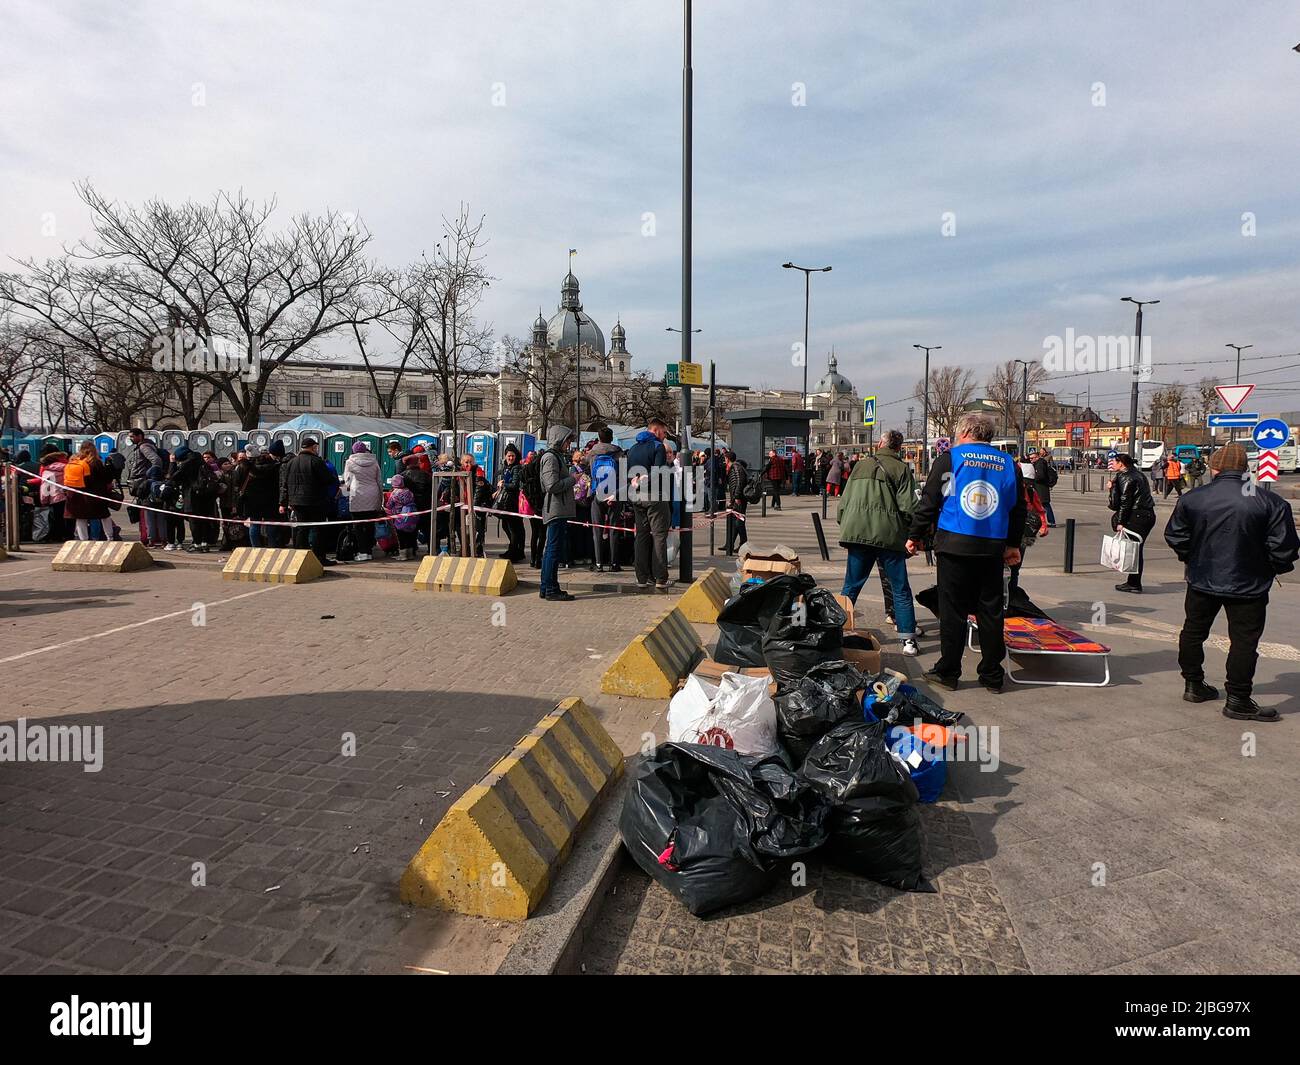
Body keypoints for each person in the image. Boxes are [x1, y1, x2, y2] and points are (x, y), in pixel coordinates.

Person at [1164, 443, 1299, 722]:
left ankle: (1193, 684)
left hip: (1202, 579)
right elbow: (1285, 547)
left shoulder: (1193, 497)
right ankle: (1237, 698)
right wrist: (1269, 568)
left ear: (1214, 468)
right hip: (1248, 583)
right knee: (1244, 641)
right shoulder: (1270, 502)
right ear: (1244, 469)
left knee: (1193, 631)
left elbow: (1176, 535)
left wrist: (1193, 558)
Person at [906, 413, 1025, 693]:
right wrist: (1013, 545)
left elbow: (930, 500)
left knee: (953, 611)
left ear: (965, 432)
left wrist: (914, 536)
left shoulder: (950, 458)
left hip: (955, 545)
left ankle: (948, 671)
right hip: (991, 547)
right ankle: (992, 675)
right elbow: (1018, 509)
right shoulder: (1008, 464)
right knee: (991, 611)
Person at [838, 430, 920, 656]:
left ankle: (835, 631)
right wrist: (909, 535)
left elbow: (844, 502)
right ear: (898, 448)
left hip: (857, 534)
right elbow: (909, 507)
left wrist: (845, 524)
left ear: (879, 444)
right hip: (888, 536)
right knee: (900, 588)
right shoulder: (901, 469)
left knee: (850, 587)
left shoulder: (859, 466)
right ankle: (908, 640)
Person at [627, 418, 672, 590]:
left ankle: (641, 578)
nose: (665, 436)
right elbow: (659, 471)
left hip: (636, 496)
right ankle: (660, 578)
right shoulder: (657, 446)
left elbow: (628, 475)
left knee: (641, 536)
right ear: (656, 430)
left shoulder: (633, 448)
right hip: (655, 495)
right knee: (659, 536)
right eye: (664, 432)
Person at [279, 437, 338, 564]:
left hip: (296, 502)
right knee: (318, 529)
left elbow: (284, 484)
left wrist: (283, 502)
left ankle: (300, 558)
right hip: (315, 501)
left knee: (301, 529)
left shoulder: (291, 462)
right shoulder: (316, 461)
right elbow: (328, 479)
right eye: (316, 447)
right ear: (313, 447)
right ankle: (318, 558)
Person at [1107, 453, 1157, 594]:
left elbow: (1123, 502)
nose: (1112, 464)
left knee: (1134, 550)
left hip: (1136, 516)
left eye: (1114, 462)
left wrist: (1121, 522)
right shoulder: (1137, 474)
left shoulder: (1125, 477)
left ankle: (1134, 584)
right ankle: (1132, 582)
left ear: (1121, 463)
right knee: (1136, 550)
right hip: (1147, 514)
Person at [538, 436, 576, 601]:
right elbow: (551, 485)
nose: (569, 445)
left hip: (558, 508)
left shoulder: (554, 456)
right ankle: (551, 589)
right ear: (559, 441)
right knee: (553, 550)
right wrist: (572, 479)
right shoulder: (551, 457)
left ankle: (547, 587)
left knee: (551, 550)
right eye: (567, 441)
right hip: (555, 509)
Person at [587, 428, 622, 573]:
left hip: (597, 493)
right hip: (614, 493)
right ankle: (614, 563)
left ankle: (599, 563)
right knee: (614, 529)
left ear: (599, 438)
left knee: (597, 530)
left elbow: (589, 471)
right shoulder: (619, 453)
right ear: (612, 438)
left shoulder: (592, 453)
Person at [63, 441, 114, 541]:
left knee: (81, 518)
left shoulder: (74, 460)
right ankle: (109, 537)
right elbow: (105, 478)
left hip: (76, 494)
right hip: (94, 494)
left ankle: (83, 540)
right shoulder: (95, 462)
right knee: (104, 516)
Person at [342, 441, 383, 562]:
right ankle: (369, 550)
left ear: (354, 450)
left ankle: (363, 552)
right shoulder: (374, 461)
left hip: (357, 494)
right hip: (373, 494)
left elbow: (347, 481)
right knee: (370, 524)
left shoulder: (350, 462)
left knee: (358, 526)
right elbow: (379, 481)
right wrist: (380, 499)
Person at [495, 443, 526, 562]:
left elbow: (515, 485)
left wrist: (504, 485)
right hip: (506, 501)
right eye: (508, 456)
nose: (510, 458)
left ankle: (515, 551)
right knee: (507, 526)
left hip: (513, 502)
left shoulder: (517, 468)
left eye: (512, 456)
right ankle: (515, 549)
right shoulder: (506, 467)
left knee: (514, 528)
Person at [385, 473, 419, 560]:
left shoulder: (395, 493)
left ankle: (403, 555)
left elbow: (389, 505)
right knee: (410, 536)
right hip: (411, 516)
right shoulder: (408, 491)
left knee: (401, 536)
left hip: (399, 518)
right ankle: (410, 554)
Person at [723, 450, 749, 554]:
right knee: (736, 522)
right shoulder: (735, 467)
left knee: (739, 523)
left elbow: (739, 481)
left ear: (727, 459)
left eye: (725, 458)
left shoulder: (736, 467)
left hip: (740, 499)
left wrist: (736, 497)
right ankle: (730, 544)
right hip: (737, 498)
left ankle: (744, 544)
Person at [1029, 447, 1058, 527]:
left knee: (1044, 505)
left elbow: (1040, 476)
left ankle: (1050, 522)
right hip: (1041, 488)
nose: (1030, 460)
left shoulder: (1040, 464)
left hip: (1041, 488)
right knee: (1043, 505)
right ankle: (1049, 522)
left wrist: (1033, 478)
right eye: (1030, 458)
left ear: (1037, 457)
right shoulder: (1039, 463)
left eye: (1032, 458)